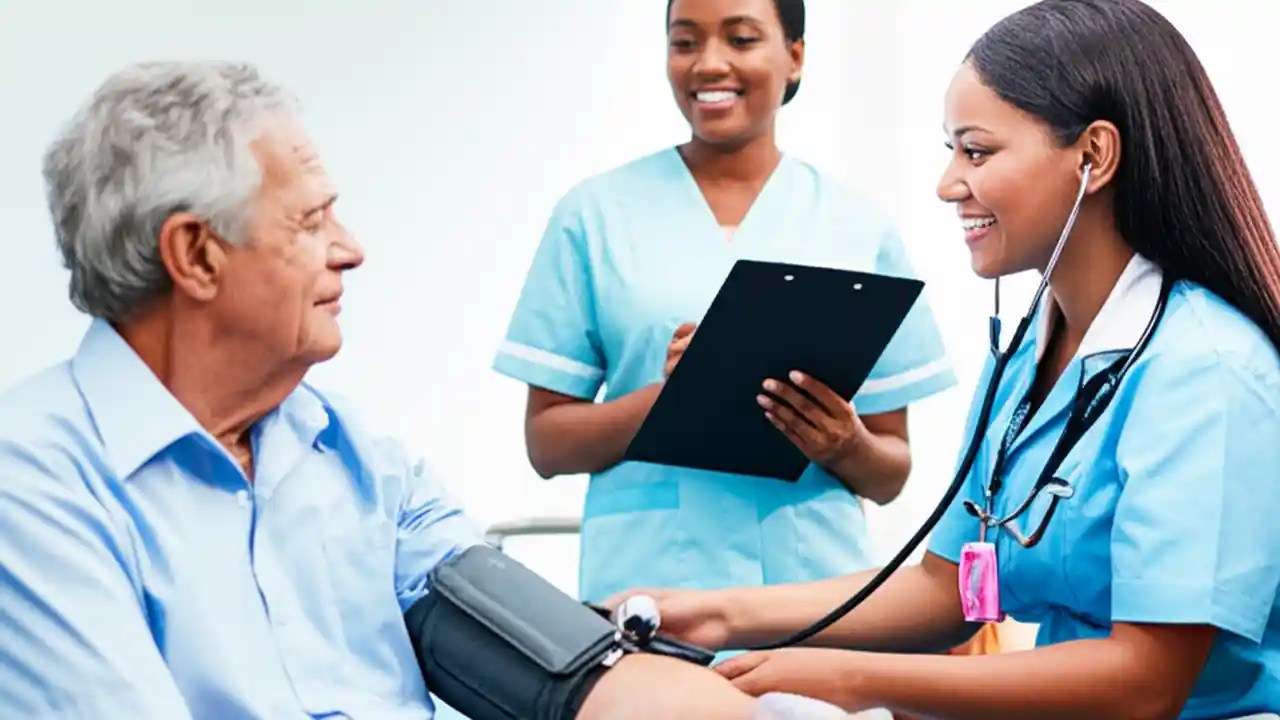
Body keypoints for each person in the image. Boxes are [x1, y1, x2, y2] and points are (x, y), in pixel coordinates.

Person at [0, 60, 777, 720]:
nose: (351, 250)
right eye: (310, 222)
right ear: (197, 256)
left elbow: (578, 677)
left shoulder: (360, 463)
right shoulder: (31, 484)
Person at [604, 0, 1280, 717]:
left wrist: (852, 679)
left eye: (977, 151)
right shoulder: (1028, 357)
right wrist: (719, 616)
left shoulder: (1203, 370)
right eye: (950, 149)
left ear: (1093, 156)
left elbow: (1146, 679)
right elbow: (953, 589)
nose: (947, 182)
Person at [493, 0, 955, 611]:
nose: (709, 64)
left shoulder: (857, 229)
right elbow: (548, 445)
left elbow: (891, 473)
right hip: (649, 597)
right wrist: (675, 397)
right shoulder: (593, 217)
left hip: (812, 600)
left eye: (740, 39)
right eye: (685, 43)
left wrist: (843, 443)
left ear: (794, 56)